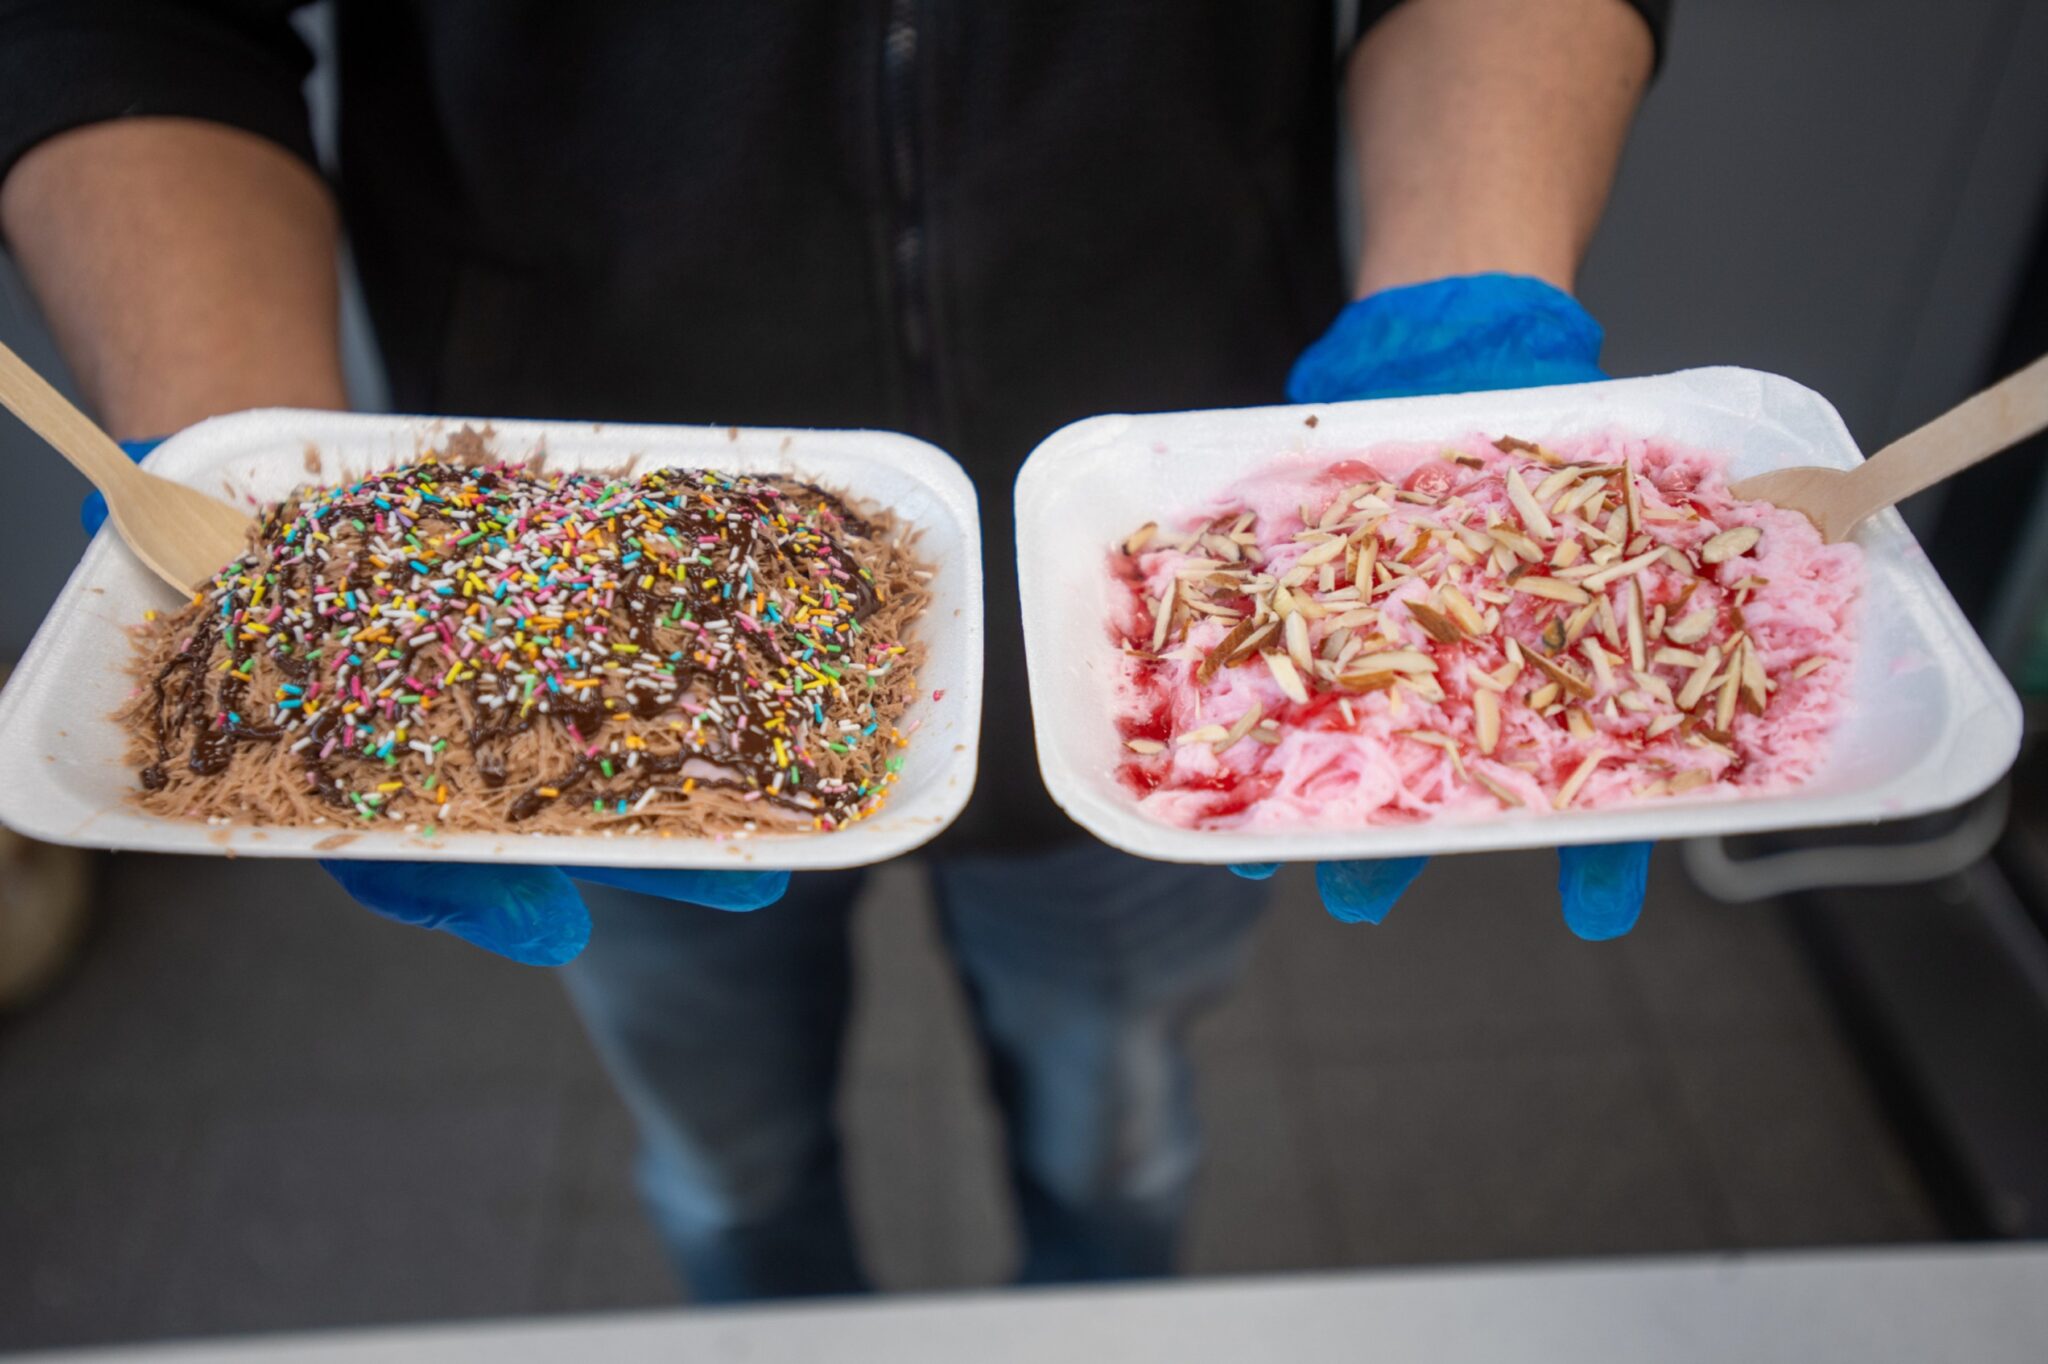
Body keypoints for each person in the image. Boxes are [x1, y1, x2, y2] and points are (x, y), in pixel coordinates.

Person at [0, 0, 1668, 1300]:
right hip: (575, 632)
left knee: (1116, 1127)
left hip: (1179, 583)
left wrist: (1467, 286)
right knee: (729, 1156)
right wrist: (235, 448)